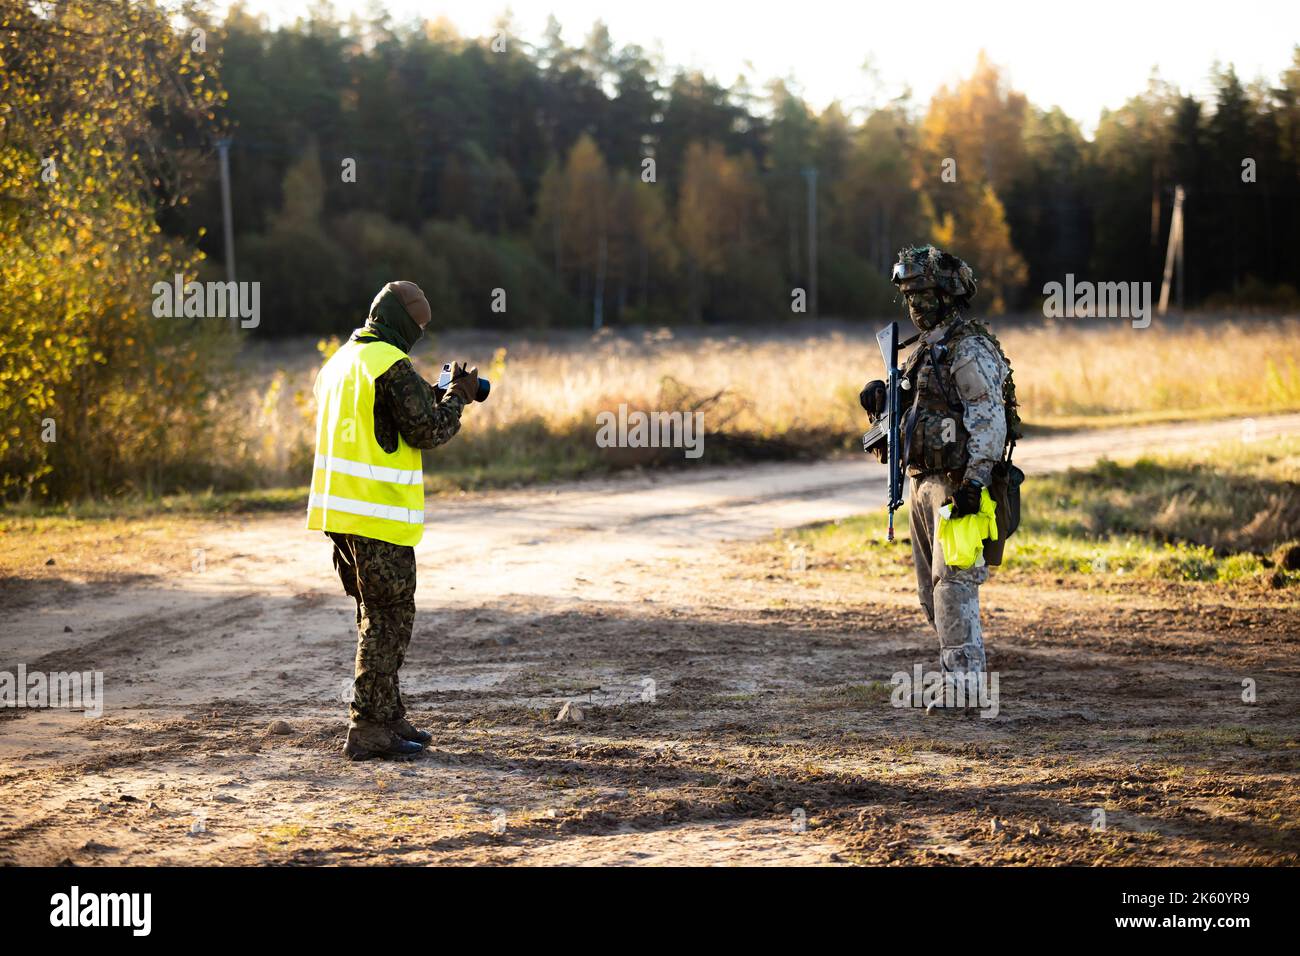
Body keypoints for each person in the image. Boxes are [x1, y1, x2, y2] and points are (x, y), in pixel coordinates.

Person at [306, 281, 479, 759]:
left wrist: (437, 390)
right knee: (389, 617)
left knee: (374, 614)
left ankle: (387, 714)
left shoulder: (339, 362)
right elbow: (428, 429)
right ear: (403, 323)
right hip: (375, 513)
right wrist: (458, 398)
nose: (418, 337)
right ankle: (366, 727)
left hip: (337, 511)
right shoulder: (390, 365)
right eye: (418, 328)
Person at [861, 246, 1017, 691]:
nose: (916, 306)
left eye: (924, 295)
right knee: (931, 595)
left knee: (954, 588)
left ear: (948, 296)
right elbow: (914, 415)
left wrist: (974, 481)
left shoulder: (967, 349)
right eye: (910, 297)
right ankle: (959, 677)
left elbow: (988, 417)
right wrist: (883, 403)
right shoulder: (923, 350)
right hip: (922, 483)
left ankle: (965, 687)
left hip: (957, 485)